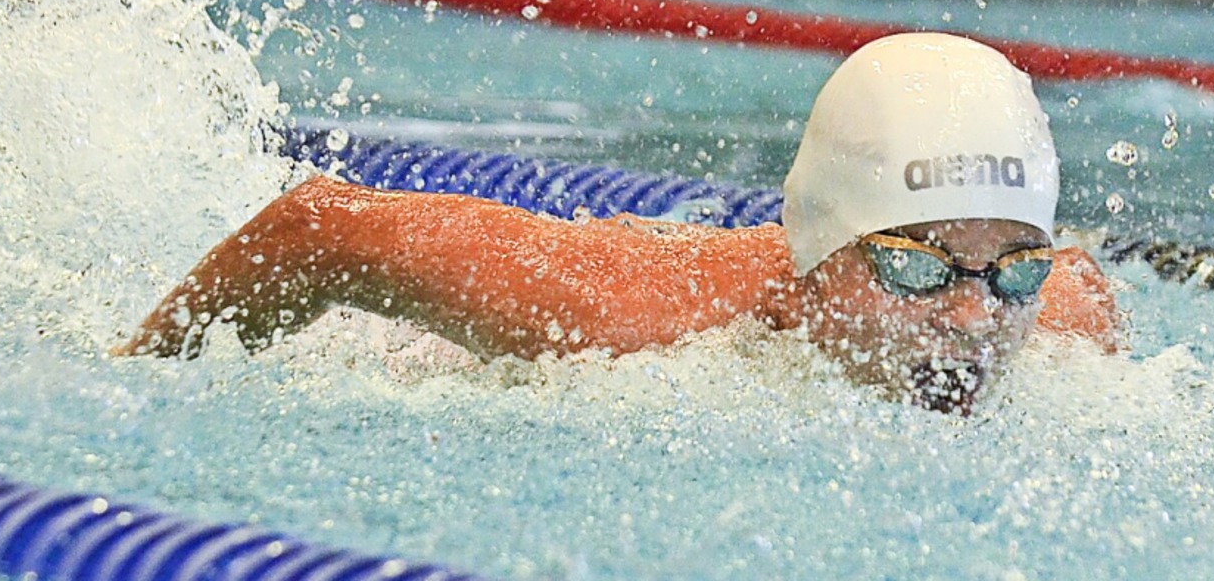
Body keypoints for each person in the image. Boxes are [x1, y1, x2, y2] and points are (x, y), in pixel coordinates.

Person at [114, 32, 1118, 413]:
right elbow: (318, 228)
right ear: (819, 253)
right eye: (913, 269)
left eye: (1011, 270)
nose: (971, 318)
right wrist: (127, 380)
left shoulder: (1065, 313)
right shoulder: (615, 321)